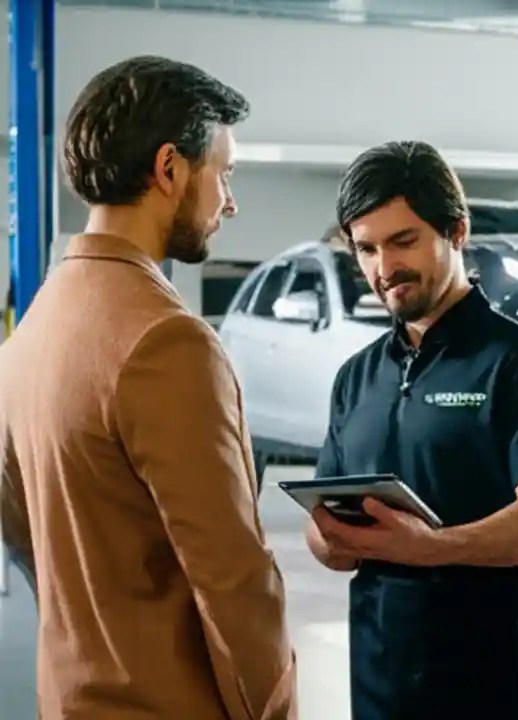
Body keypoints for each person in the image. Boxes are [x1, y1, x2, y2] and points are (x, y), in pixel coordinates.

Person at [0, 56, 297, 720]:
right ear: (170, 169)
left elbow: (23, 538)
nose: (230, 200)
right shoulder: (168, 342)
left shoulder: (32, 331)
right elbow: (234, 583)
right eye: (224, 174)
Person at [305, 140, 518, 720]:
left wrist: (432, 549)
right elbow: (325, 522)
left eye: (403, 241)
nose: (384, 270)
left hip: (493, 677)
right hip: (381, 674)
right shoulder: (356, 378)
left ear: (456, 232)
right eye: (366, 249)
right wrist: (331, 541)